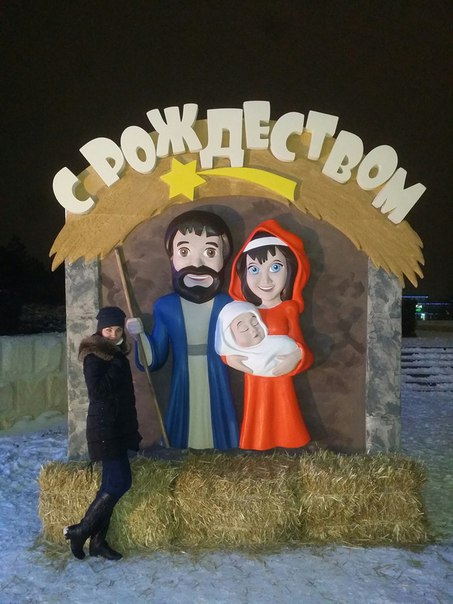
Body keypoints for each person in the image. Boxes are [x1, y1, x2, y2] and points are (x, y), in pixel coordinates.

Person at [126, 210, 239, 450]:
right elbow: (154, 357)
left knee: (216, 418)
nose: (197, 264)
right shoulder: (166, 307)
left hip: (216, 374)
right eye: (185, 252)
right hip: (183, 376)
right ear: (172, 258)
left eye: (210, 252)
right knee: (185, 420)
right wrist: (140, 336)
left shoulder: (227, 305)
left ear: (224, 257)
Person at [64, 306, 142, 560]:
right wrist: (116, 364)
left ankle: (98, 542)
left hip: (116, 427)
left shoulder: (115, 355)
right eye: (109, 330)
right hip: (105, 428)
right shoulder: (95, 356)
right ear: (100, 330)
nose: (113, 334)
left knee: (110, 484)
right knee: (121, 482)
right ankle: (81, 531)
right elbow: (97, 392)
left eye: (118, 330)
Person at [228, 220, 314, 450]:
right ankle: (256, 443)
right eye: (254, 269)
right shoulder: (242, 311)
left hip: (280, 376)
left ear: (290, 270)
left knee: (285, 410)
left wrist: (297, 356)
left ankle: (289, 441)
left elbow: (302, 347)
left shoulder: (288, 309)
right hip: (255, 377)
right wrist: (229, 358)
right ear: (243, 274)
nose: (265, 280)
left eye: (275, 267)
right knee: (257, 411)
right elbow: (228, 343)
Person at [215, 300, 299, 377]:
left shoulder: (280, 343)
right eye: (244, 329)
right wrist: (229, 360)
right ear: (230, 338)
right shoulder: (236, 357)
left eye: (255, 323)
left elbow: (296, 348)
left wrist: (297, 355)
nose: (253, 329)